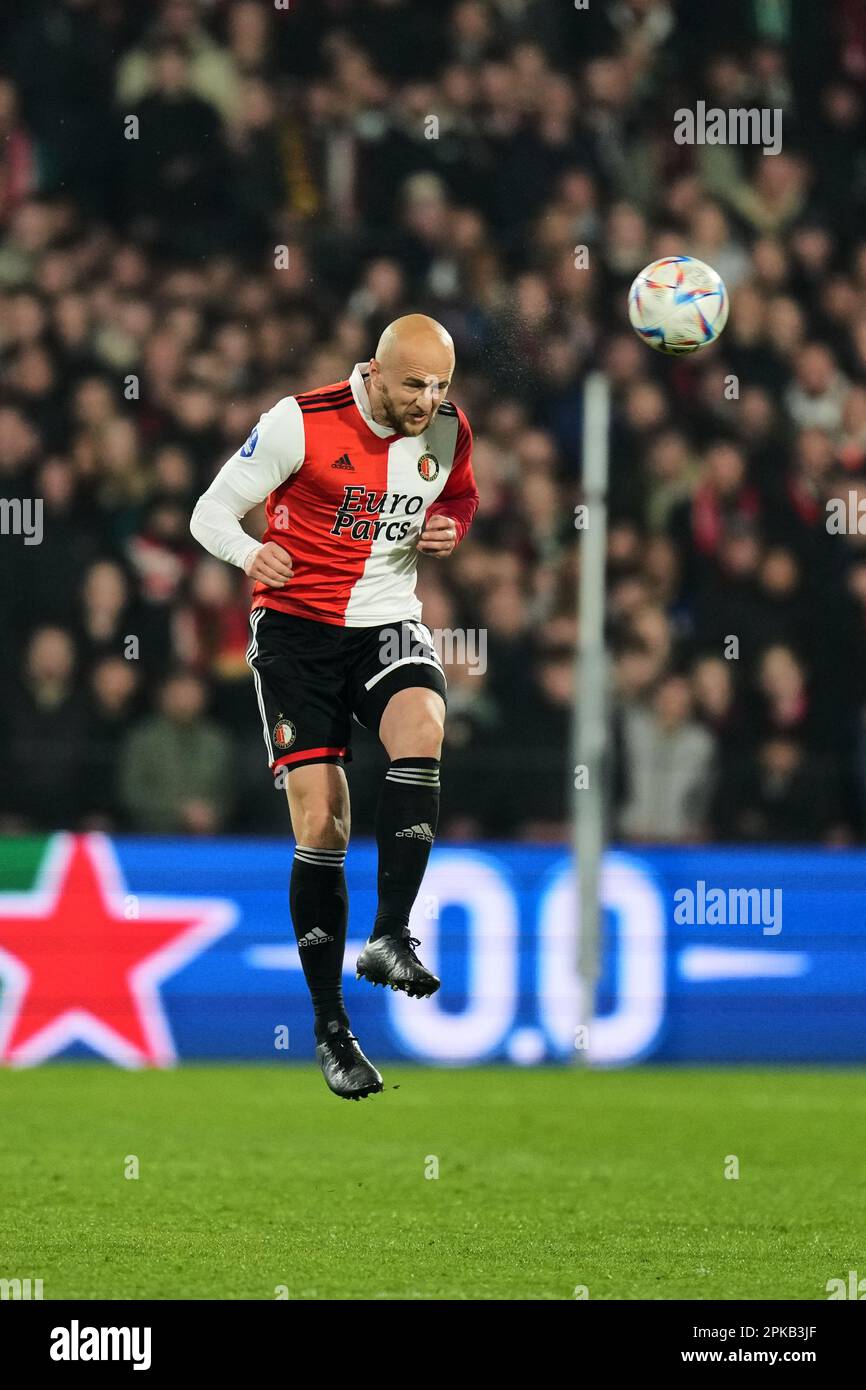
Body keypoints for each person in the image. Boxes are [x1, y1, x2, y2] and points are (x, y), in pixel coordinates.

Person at [190, 314, 479, 1099]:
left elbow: (457, 503)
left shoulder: (450, 432)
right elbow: (208, 512)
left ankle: (390, 934)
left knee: (423, 725)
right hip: (297, 636)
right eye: (415, 383)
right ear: (375, 373)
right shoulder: (299, 423)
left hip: (386, 621)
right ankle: (330, 1026)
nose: (429, 399)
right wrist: (251, 552)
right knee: (324, 820)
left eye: (441, 384)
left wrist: (451, 530)